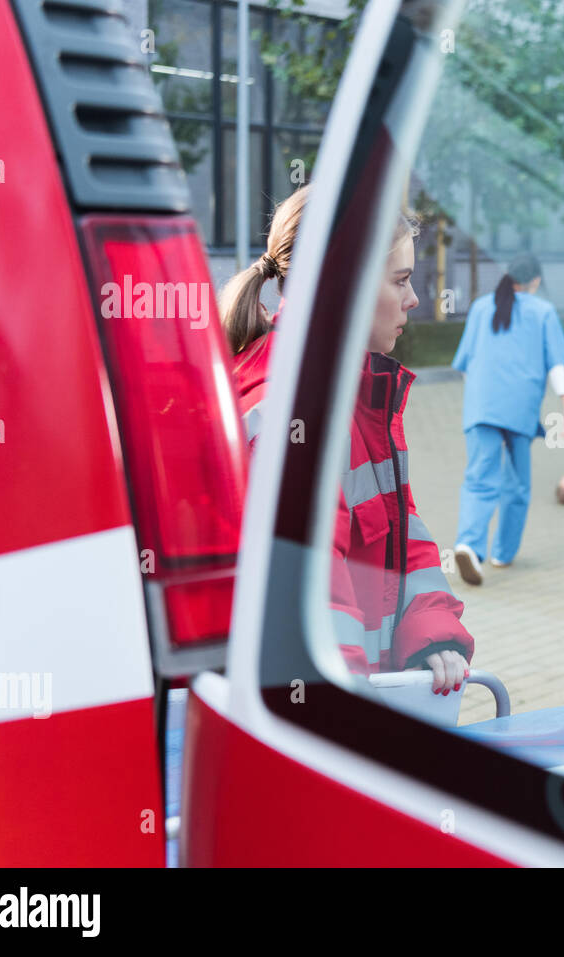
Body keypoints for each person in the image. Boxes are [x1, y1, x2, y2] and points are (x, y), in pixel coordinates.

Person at [223, 187, 474, 695]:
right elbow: (310, 601)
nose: (414, 299)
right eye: (401, 280)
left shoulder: (352, 394)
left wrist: (429, 634)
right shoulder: (292, 414)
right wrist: (347, 720)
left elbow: (407, 535)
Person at [450, 254, 564, 586]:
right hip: (519, 408)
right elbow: (557, 365)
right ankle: (502, 554)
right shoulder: (543, 311)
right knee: (517, 483)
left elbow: (463, 365)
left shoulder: (479, 307)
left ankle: (468, 545)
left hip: (481, 407)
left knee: (479, 479)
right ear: (534, 281)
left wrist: (479, 398)